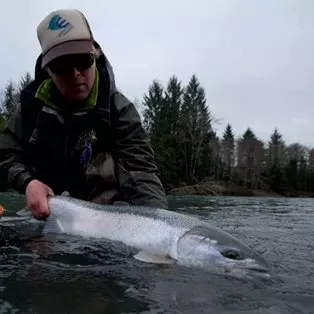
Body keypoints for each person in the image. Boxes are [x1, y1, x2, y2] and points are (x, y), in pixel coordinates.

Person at [0, 9, 168, 219]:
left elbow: (141, 174)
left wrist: (160, 224)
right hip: (48, 217)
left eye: (82, 60)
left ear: (95, 56)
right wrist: (28, 182)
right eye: (61, 66)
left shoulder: (119, 110)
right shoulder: (29, 108)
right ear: (48, 70)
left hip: (107, 221)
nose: (75, 74)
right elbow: (6, 156)